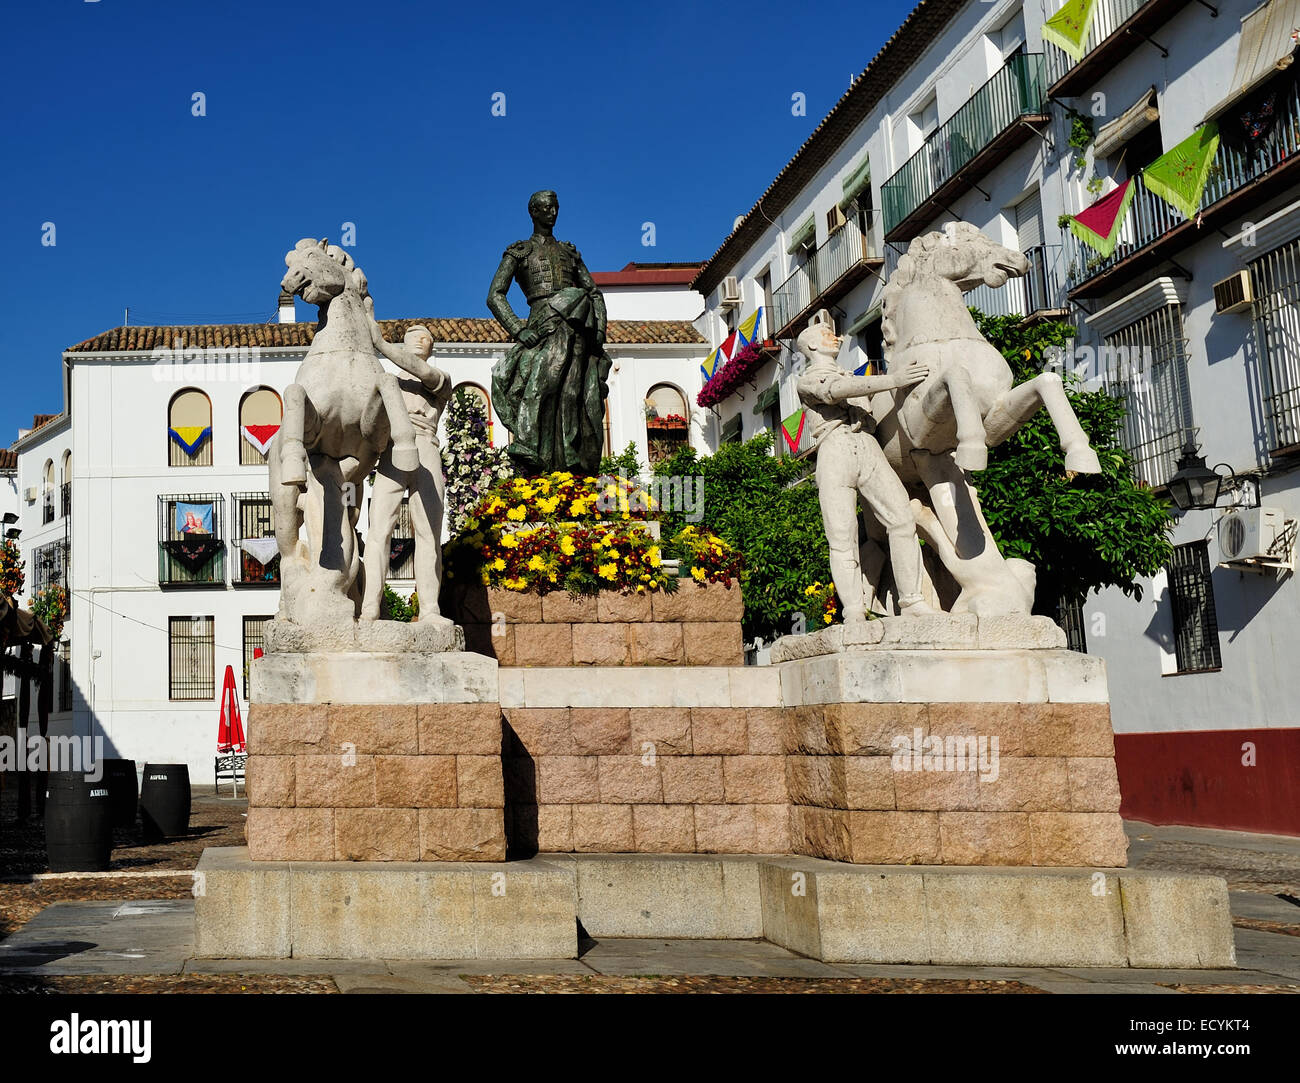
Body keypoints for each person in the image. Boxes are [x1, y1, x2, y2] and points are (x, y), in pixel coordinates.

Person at [795, 310, 935, 624]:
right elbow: (835, 391)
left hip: (867, 444)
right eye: (825, 335)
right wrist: (893, 380)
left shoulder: (852, 375)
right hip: (835, 448)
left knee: (901, 518)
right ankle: (854, 609)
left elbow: (857, 389)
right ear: (813, 347)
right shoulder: (808, 379)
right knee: (842, 537)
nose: (833, 336)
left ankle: (911, 600)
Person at [487, 189, 611, 476]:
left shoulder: (569, 253)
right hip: (542, 328)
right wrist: (518, 330)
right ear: (533, 212)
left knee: (574, 395)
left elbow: (592, 292)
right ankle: (534, 456)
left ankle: (571, 463)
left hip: (577, 329)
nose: (552, 213)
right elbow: (495, 295)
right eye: (546, 208)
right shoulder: (519, 252)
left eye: (555, 207)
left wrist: (600, 332)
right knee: (542, 389)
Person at [360, 324, 452, 621]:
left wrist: (381, 345)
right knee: (378, 531)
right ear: (405, 341)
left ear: (431, 347)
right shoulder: (388, 382)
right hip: (392, 452)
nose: (419, 340)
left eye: (425, 337)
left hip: (426, 448)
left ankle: (430, 609)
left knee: (428, 534)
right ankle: (370, 606)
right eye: (413, 336)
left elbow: (420, 371)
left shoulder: (439, 379)